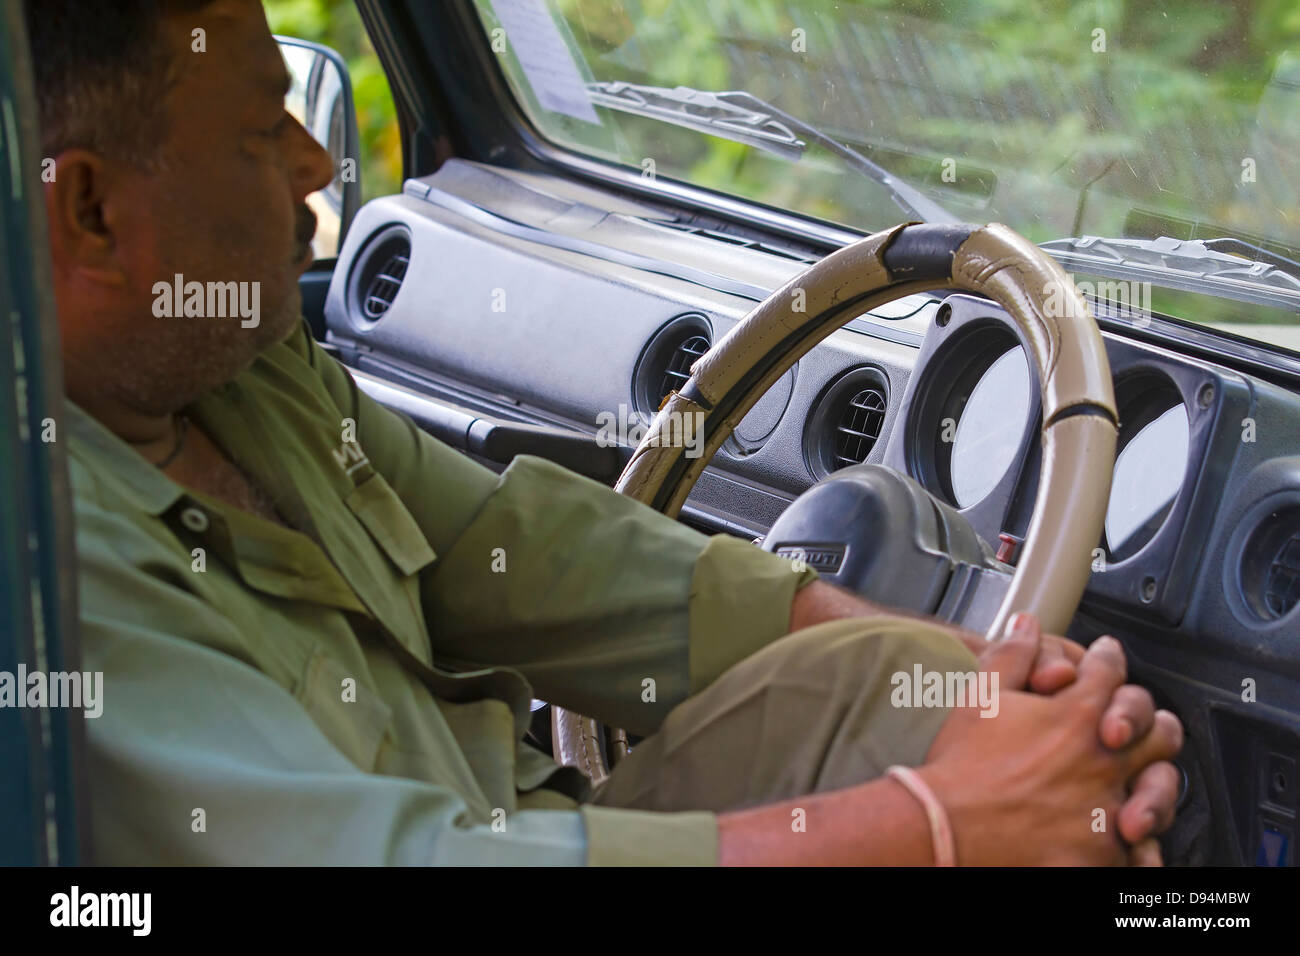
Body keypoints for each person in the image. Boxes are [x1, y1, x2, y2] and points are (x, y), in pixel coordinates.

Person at [29, 0, 1182, 865]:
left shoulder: (241, 369)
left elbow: (514, 548)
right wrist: (941, 821)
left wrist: (991, 694)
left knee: (908, 679)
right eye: (254, 132)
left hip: (536, 828)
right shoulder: (44, 561)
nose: (314, 161)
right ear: (88, 212)